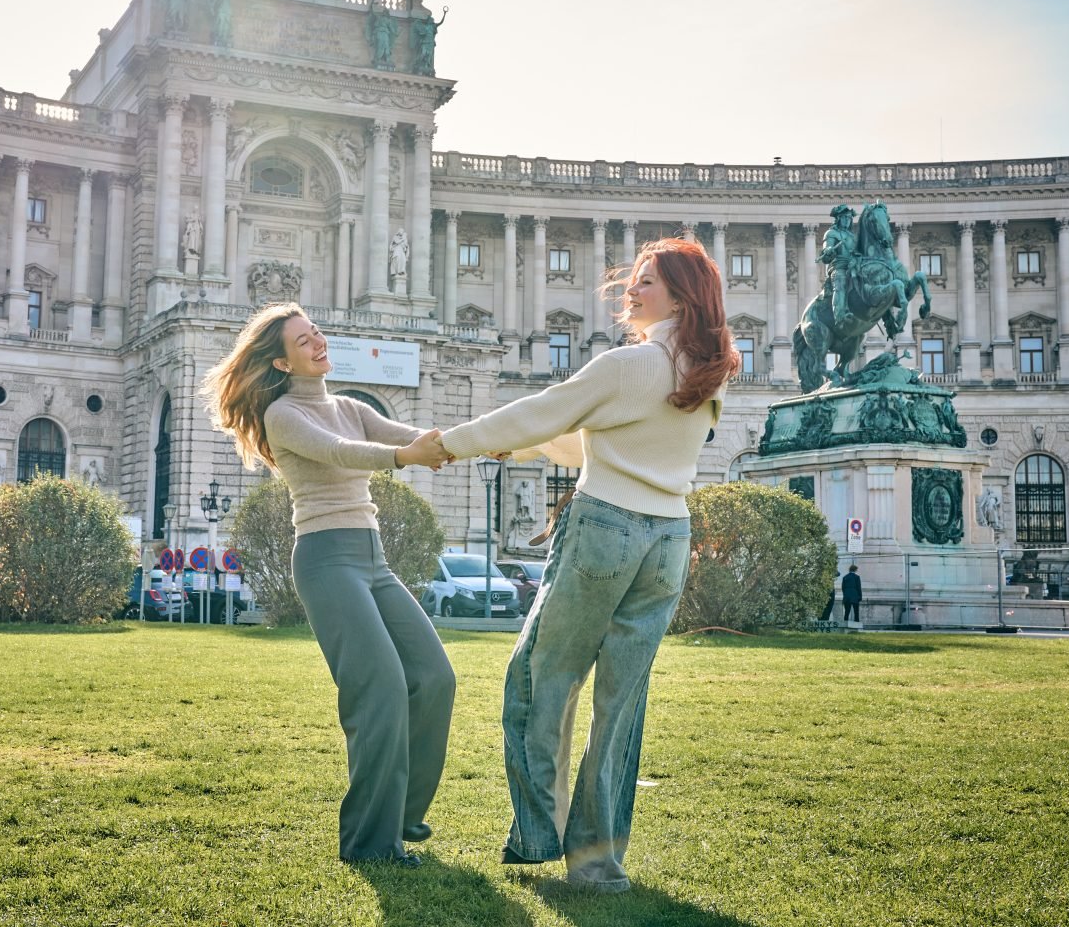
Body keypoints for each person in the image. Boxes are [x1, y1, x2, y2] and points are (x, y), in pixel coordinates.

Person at [439, 236, 738, 892]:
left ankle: (537, 834)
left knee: (537, 679)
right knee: (620, 706)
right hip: (668, 542)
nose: (631, 291)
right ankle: (598, 863)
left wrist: (445, 444)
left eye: (647, 282)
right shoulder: (705, 372)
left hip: (604, 530)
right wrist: (530, 445)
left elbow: (538, 412)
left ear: (681, 295)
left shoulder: (625, 365)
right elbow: (589, 441)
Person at [200, 303, 455, 865]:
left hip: (373, 558)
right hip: (325, 559)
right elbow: (342, 453)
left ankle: (403, 815)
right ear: (282, 363)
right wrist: (402, 457)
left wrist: (484, 441)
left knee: (434, 677)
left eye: (316, 332)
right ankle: (370, 842)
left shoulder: (350, 406)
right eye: (302, 339)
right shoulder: (284, 416)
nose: (317, 342)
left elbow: (419, 435)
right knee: (380, 688)